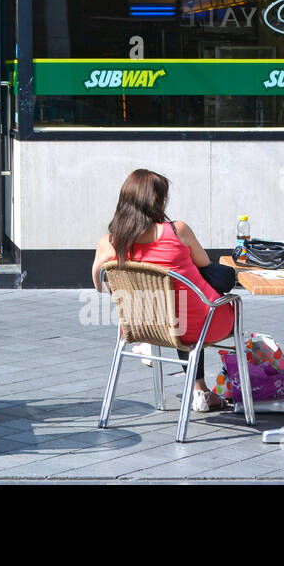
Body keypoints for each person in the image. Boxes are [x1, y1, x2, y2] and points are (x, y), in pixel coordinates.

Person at [91, 168, 235, 412]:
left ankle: (199, 389)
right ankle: (205, 391)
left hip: (144, 324)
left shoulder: (109, 243)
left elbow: (100, 284)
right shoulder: (178, 231)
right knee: (192, 303)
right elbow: (205, 266)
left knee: (177, 313)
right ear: (157, 201)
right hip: (203, 324)